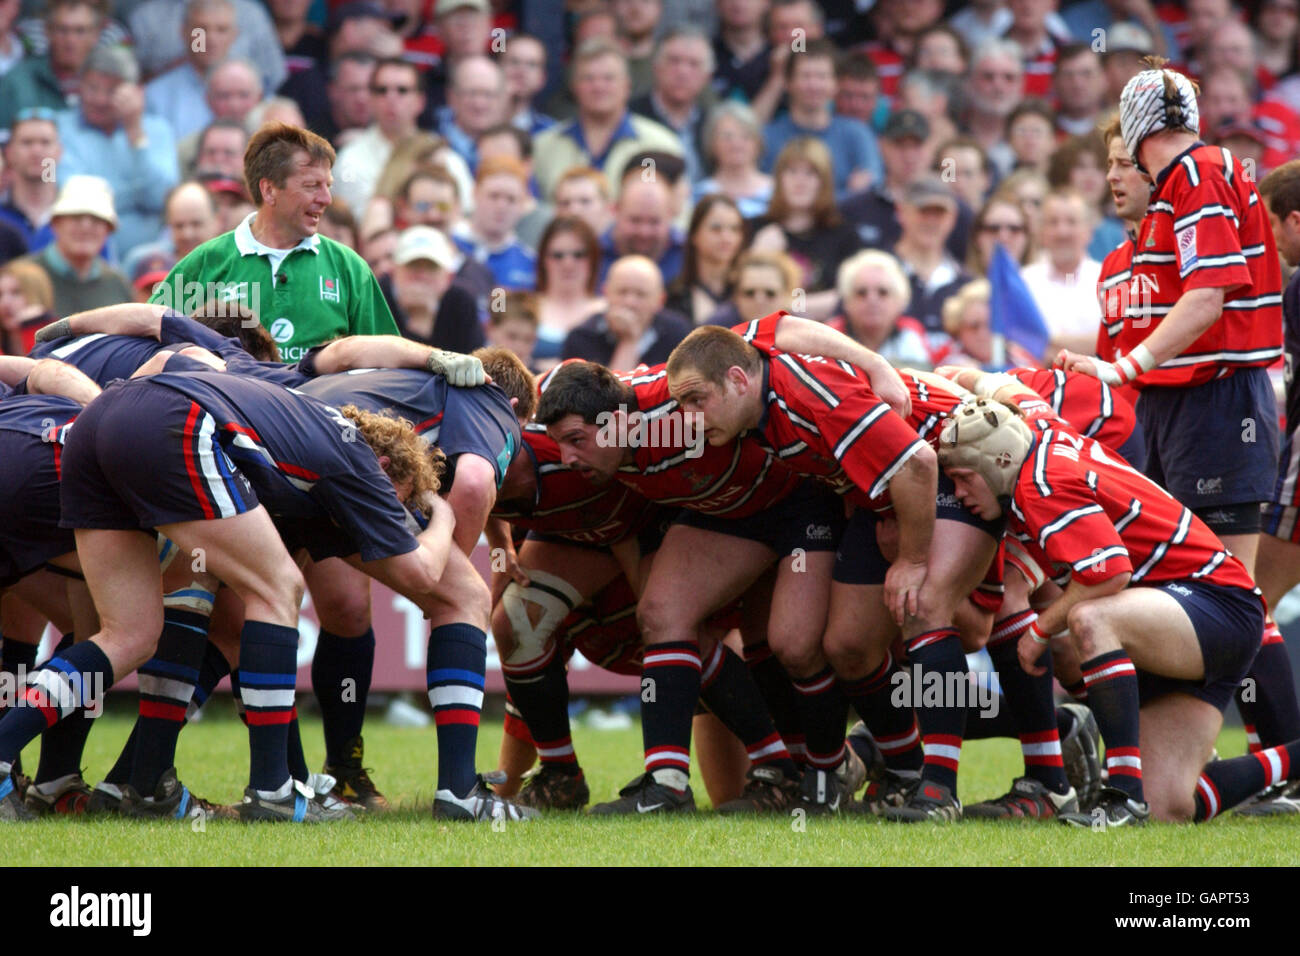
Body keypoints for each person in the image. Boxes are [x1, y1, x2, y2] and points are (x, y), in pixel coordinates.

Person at [936, 395, 1300, 825]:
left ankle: (1123, 798)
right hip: (1197, 615)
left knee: (1088, 618)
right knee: (1171, 805)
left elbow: (1109, 573)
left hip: (1213, 602)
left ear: (998, 460)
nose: (959, 493)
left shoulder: (1039, 482)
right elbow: (1010, 392)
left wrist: (1039, 632)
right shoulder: (1042, 441)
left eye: (963, 478)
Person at [150, 123, 398, 364]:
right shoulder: (205, 263)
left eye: (328, 186)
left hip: (322, 406)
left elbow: (387, 366)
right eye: (312, 186)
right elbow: (146, 345)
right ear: (269, 190)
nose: (326, 199)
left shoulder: (350, 269)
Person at [57, 44, 179, 258]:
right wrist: (135, 196)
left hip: (154, 258)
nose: (101, 99)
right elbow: (74, 197)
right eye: (93, 88)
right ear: (79, 86)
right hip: (84, 249)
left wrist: (135, 133)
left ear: (135, 91)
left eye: (112, 90)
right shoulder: (60, 129)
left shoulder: (158, 129)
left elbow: (162, 198)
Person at [531, 38, 682, 200]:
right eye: (588, 78)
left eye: (608, 78)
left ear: (627, 86)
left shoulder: (659, 144)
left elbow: (679, 211)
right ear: (574, 87)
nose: (598, 86)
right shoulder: (543, 147)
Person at [750, 137, 861, 316]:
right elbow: (744, 295)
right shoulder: (758, 229)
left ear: (824, 181)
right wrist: (758, 255)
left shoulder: (843, 234)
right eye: (792, 171)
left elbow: (852, 293)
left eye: (810, 173)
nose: (800, 181)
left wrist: (789, 305)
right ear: (779, 178)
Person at [762, 38, 882, 199]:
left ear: (836, 84)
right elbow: (763, 195)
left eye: (822, 76)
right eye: (805, 76)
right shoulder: (767, 137)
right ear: (787, 82)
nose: (814, 85)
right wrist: (847, 193)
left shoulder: (857, 134)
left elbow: (869, 193)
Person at [24, 176, 131, 315]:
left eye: (96, 219)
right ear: (56, 224)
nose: (85, 227)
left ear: (108, 230)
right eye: (76, 217)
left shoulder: (118, 284)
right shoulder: (20, 278)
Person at [562, 255, 690, 369]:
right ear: (605, 293)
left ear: (660, 300)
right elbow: (609, 396)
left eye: (641, 294)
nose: (630, 302)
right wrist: (628, 341)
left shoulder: (679, 335)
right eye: (622, 292)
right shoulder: (582, 337)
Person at [1021, 188, 1103, 359]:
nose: (1062, 232)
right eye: (1053, 222)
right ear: (1041, 231)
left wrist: (1049, 341)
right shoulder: (1024, 281)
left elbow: (1115, 341)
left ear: (1088, 230)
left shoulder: (1109, 278)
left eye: (1071, 222)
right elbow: (1017, 341)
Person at [630, 27, 716, 185]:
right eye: (674, 61)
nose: (683, 71)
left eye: (694, 64)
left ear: (707, 77)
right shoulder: (631, 117)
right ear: (656, 67)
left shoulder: (715, 123)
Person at [143, 0, 240, 141]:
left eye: (221, 30)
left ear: (234, 35)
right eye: (201, 29)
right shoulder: (156, 95)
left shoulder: (251, 89)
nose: (211, 39)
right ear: (184, 32)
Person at [0, 0, 103, 131]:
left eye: (80, 31)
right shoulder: (16, 83)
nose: (70, 40)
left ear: (96, 35)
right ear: (47, 31)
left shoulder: (109, 84)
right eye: (62, 30)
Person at [891, 176, 970, 337]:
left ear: (953, 217)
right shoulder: (874, 275)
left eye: (939, 213)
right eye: (924, 211)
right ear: (901, 212)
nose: (931, 221)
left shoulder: (966, 286)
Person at [827, 249, 932, 368]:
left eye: (883, 292)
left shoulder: (911, 335)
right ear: (846, 302)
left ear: (901, 301)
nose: (872, 300)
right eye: (861, 293)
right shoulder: (829, 335)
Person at [386, 225, 482, 353]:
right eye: (412, 265)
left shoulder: (462, 302)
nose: (421, 276)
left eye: (431, 267)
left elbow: (473, 363)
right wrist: (419, 323)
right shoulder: (377, 297)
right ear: (393, 272)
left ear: (448, 277)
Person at [451, 155, 535, 291]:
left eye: (511, 199)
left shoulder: (529, 263)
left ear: (523, 205)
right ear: (475, 194)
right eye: (494, 196)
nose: (501, 206)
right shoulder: (450, 245)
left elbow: (500, 307)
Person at [532, 215, 603, 371]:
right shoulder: (523, 306)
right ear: (543, 259)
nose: (568, 263)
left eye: (579, 255)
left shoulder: (609, 311)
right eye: (558, 255)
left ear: (593, 259)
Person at [665, 194, 744, 326]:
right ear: (694, 235)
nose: (726, 237)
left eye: (734, 229)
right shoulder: (675, 295)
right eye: (716, 228)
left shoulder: (750, 291)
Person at [0, 111, 61, 253]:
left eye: (45, 142)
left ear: (59, 152)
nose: (36, 151)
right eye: (27, 142)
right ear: (9, 153)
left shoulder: (79, 214)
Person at [0, 258, 55, 354]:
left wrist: (32, 326)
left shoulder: (61, 336)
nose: (5, 302)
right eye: (0, 295)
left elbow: (42, 364)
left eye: (16, 292)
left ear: (37, 295)